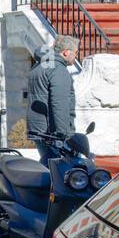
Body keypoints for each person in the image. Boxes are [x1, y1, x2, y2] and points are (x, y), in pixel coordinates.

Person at [27, 35, 78, 163]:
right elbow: (59, 103)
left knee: (48, 163)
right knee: (59, 171)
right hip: (51, 132)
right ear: (66, 52)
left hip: (39, 129)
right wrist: (63, 134)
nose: (76, 56)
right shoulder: (57, 69)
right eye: (76, 52)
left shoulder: (40, 66)